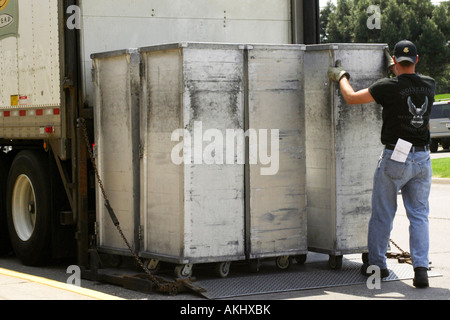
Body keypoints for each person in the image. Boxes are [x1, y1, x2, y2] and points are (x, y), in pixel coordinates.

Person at [328, 40, 435, 288]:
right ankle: (421, 269)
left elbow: (352, 98)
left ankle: (377, 266)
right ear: (416, 60)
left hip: (395, 158)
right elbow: (413, 97)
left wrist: (341, 76)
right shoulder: (429, 85)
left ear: (395, 61)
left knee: (383, 215)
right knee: (419, 216)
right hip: (422, 157)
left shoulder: (386, 87)